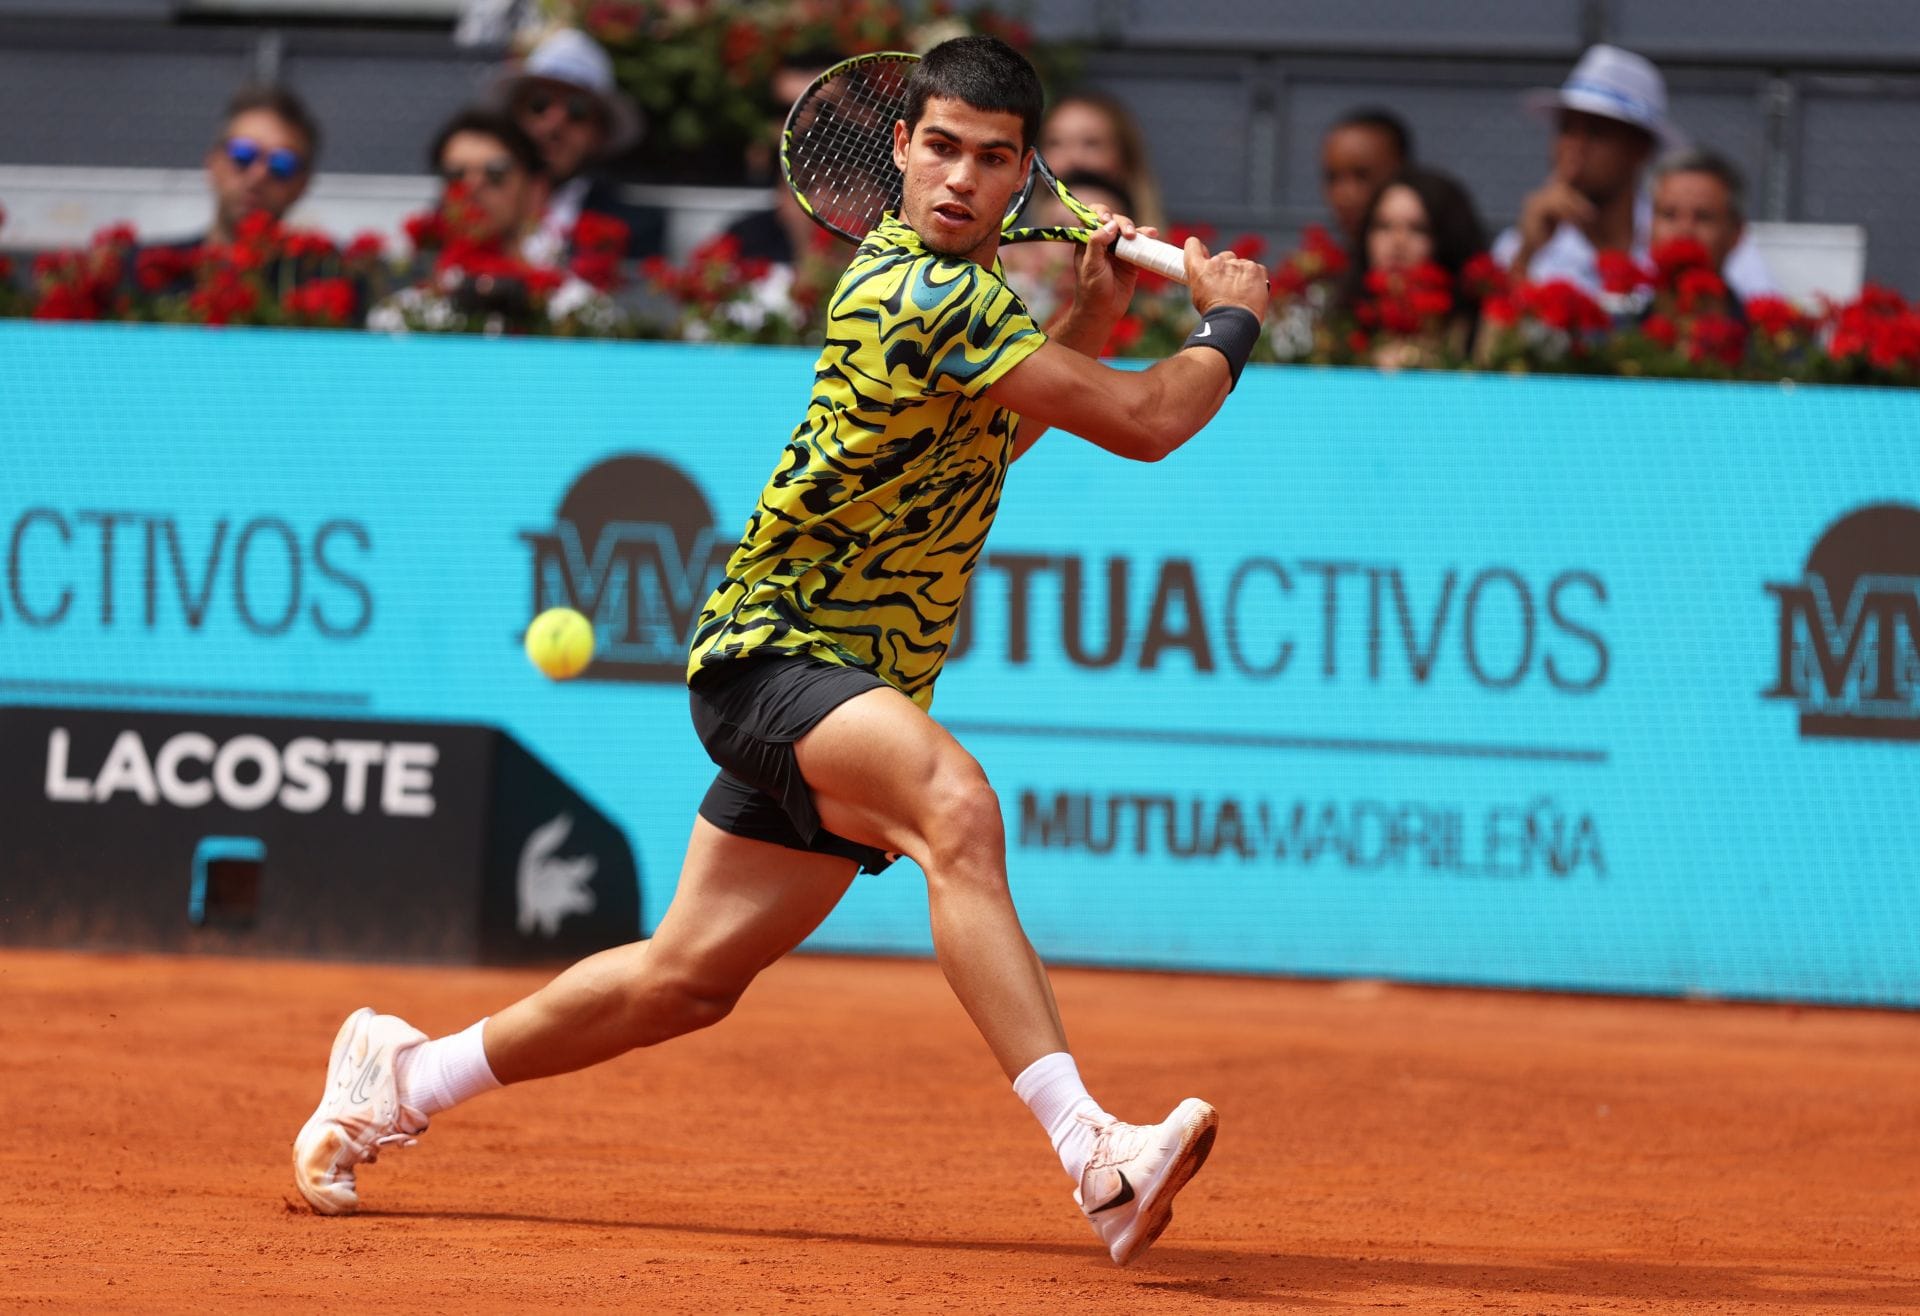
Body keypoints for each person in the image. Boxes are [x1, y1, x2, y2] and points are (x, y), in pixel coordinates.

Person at [294, 34, 1270, 1269]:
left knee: (684, 978)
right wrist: (1232, 315)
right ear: (901, 150)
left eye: (994, 160)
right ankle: (1095, 1152)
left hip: (849, 678)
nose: (962, 179)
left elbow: (973, 460)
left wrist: (1084, 310)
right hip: (776, 656)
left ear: (1024, 176)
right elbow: (1149, 420)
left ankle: (403, 1075)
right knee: (955, 811)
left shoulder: (967, 302)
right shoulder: (926, 292)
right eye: (943, 150)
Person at [1491, 44, 1775, 299]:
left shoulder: (1688, 229)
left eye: (1596, 132)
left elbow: (1767, 327)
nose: (1573, 147)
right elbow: (1488, 350)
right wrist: (1526, 255)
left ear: (1640, 148)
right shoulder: (1520, 245)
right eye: (1566, 129)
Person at [497, 26, 665, 263]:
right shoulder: (470, 207)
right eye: (539, 104)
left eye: (577, 111)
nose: (553, 125)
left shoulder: (634, 228)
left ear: (601, 133)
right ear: (516, 115)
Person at [1339, 166, 1488, 362]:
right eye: (1383, 226)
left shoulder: (1481, 330)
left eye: (1417, 229)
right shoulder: (1338, 325)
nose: (1397, 241)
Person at [999, 170, 1136, 325]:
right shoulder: (996, 298)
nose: (1073, 243)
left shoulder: (1155, 314)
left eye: (1094, 230)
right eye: (1060, 229)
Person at [191, 85, 321, 248]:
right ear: (213, 163)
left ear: (302, 185)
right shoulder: (159, 267)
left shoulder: (329, 271)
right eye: (243, 155)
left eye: (282, 163)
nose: (258, 175)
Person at [1038, 89, 1167, 230]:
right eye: (1055, 143)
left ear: (1126, 158)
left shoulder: (1182, 249)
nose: (1074, 159)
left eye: (1091, 143)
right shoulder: (1013, 245)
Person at [1649, 147, 1749, 282]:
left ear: (1736, 233)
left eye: (1703, 217)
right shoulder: (1619, 302)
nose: (1684, 232)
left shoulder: (1760, 302)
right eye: (1669, 215)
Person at [1320, 107, 1412, 251]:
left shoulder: (1437, 271)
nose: (1344, 195)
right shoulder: (1326, 268)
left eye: (1362, 176)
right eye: (1332, 178)